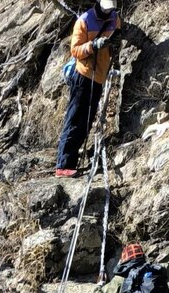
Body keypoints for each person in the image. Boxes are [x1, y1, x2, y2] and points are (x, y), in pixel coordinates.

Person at [55, 0, 120, 178]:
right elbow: (75, 50)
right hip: (83, 76)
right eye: (106, 9)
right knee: (75, 119)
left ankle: (72, 162)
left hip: (98, 77)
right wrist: (92, 45)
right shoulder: (84, 21)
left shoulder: (114, 18)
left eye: (110, 10)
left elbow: (119, 31)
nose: (108, 13)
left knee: (86, 121)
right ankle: (63, 166)